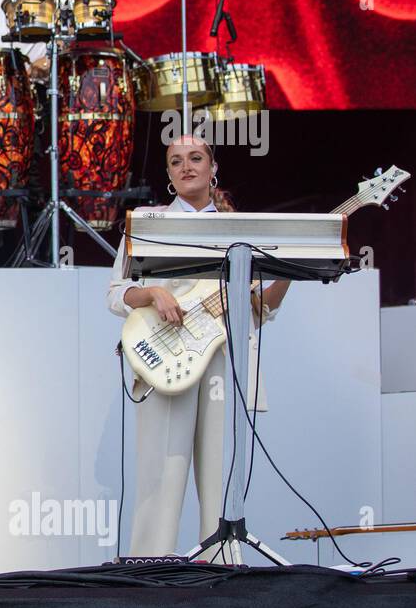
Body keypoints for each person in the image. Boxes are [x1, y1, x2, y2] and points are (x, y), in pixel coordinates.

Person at [107, 136, 290, 563]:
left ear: (212, 167)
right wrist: (151, 293)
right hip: (165, 358)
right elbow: (116, 293)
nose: (185, 166)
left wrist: (287, 271)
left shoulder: (237, 229)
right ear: (169, 176)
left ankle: (223, 566)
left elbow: (259, 309)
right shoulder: (148, 222)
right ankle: (150, 567)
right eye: (175, 161)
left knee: (221, 472)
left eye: (194, 158)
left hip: (222, 360)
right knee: (161, 471)